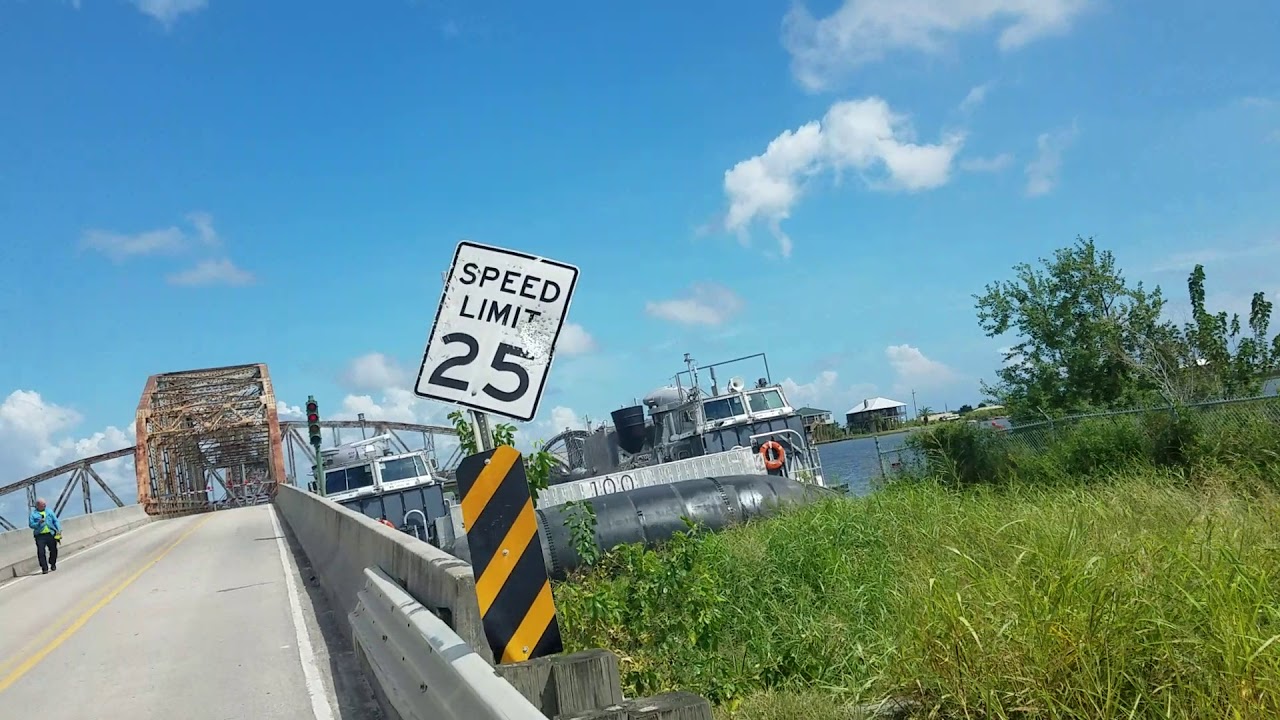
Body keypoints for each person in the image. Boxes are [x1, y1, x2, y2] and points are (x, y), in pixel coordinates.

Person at [29, 498, 62, 574]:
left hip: (51, 533)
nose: (44, 505)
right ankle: (44, 567)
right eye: (42, 504)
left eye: (45, 504)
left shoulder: (49, 511)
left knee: (53, 550)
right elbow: (31, 525)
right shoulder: (33, 514)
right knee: (41, 552)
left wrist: (59, 529)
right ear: (38, 505)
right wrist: (38, 523)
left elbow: (55, 520)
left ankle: (52, 563)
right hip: (40, 535)